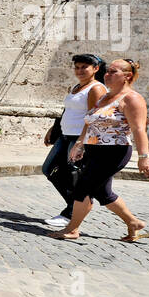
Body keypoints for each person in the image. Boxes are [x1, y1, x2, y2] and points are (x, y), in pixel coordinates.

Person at [49, 58, 149, 242]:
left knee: (82, 188)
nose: (107, 75)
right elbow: (89, 122)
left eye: (113, 72)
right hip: (94, 149)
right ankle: (133, 223)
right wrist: (80, 144)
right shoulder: (104, 97)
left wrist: (144, 157)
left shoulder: (132, 99)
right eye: (107, 71)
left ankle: (72, 229)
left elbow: (139, 129)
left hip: (114, 151)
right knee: (103, 193)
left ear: (127, 76)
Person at [43, 54, 106, 228]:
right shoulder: (77, 87)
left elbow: (94, 117)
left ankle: (72, 211)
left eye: (84, 67)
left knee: (73, 174)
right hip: (65, 134)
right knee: (49, 169)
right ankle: (78, 205)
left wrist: (82, 142)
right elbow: (67, 111)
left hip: (79, 137)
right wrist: (53, 128)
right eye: (77, 67)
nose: (79, 70)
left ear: (96, 69)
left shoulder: (96, 89)